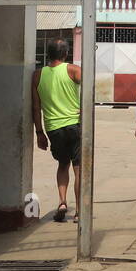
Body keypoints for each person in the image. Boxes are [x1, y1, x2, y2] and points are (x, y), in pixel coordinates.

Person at [32, 39, 82, 222]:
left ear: (48, 54)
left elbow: (36, 107)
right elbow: (90, 91)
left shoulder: (37, 75)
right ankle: (79, 212)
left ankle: (62, 202)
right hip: (74, 125)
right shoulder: (73, 70)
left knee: (63, 164)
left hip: (53, 128)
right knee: (79, 168)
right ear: (65, 54)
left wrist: (39, 133)